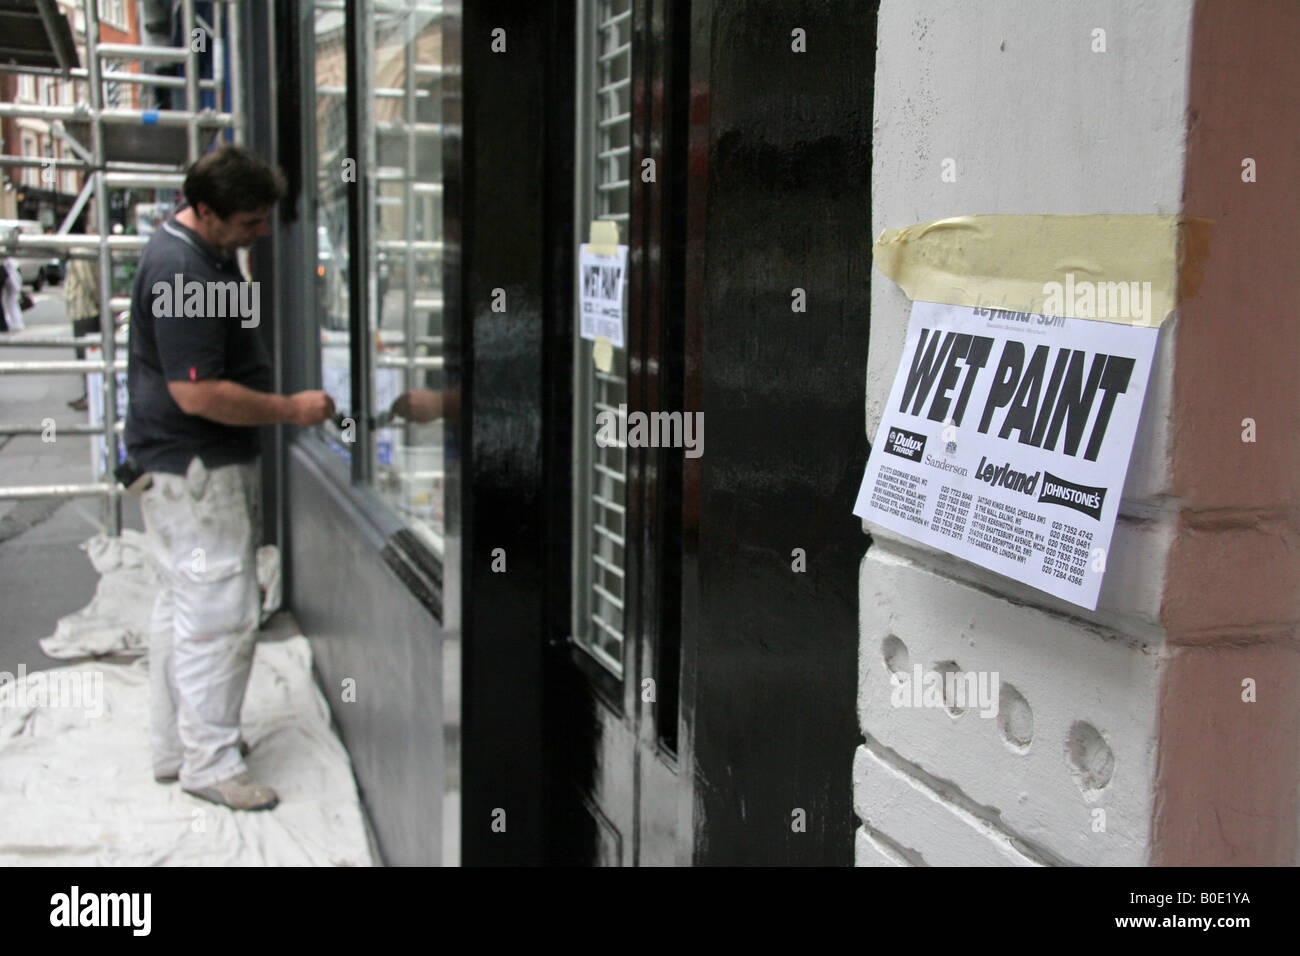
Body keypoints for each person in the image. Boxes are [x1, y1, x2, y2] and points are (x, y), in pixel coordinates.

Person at [126, 145, 335, 811]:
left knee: (182, 605)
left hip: (181, 465)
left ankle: (176, 748)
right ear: (207, 212)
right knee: (219, 613)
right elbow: (197, 393)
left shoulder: (201, 251)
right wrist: (290, 410)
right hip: (197, 468)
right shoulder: (184, 268)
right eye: (249, 222)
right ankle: (211, 764)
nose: (262, 233)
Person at [65, 219, 100, 410]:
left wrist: (98, 301)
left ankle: (90, 396)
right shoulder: (81, 249)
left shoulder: (78, 251)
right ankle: (89, 394)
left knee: (85, 354)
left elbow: (89, 282)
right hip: (84, 307)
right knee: (84, 353)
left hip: (85, 308)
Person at [1, 255, 25, 332]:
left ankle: (17, 323)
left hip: (10, 282)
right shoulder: (10, 262)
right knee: (10, 303)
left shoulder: (8, 262)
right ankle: (16, 323)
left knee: (11, 303)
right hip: (11, 282)